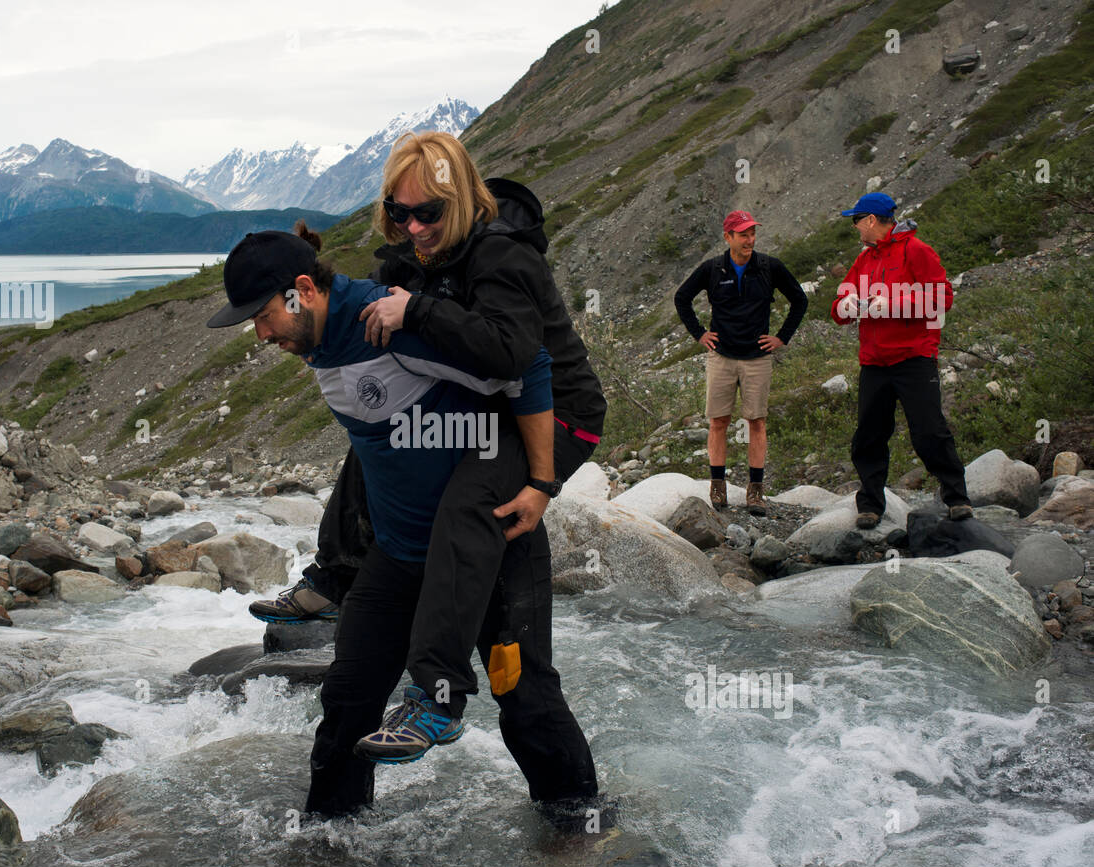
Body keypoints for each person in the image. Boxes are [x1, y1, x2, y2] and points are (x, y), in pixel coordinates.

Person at [207, 226, 599, 818]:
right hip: (397, 557)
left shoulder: (386, 325)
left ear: (302, 291)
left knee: (525, 699)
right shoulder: (322, 344)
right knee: (347, 700)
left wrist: (542, 483)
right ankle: (328, 841)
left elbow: (526, 366)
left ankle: (580, 830)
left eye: (263, 317)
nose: (261, 335)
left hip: (487, 553)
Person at [249, 132, 606, 763]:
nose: (413, 227)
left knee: (474, 511)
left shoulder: (503, 256)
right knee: (372, 438)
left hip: (557, 415)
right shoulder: (411, 260)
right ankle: (335, 575)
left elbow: (515, 357)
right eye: (399, 212)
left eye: (428, 213)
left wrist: (543, 486)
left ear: (461, 200)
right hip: (487, 413)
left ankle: (440, 702)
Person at [828, 192, 971, 528]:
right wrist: (845, 307)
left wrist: (891, 304)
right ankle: (871, 505)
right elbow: (838, 306)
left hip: (914, 358)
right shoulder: (865, 260)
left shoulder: (916, 251)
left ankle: (957, 498)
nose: (855, 228)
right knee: (869, 435)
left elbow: (942, 299)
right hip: (874, 362)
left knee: (929, 432)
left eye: (857, 221)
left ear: (872, 220)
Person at [674, 211, 807, 515]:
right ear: (728, 237)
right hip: (721, 356)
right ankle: (717, 486)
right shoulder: (712, 268)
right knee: (718, 421)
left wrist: (781, 337)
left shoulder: (769, 267)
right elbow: (682, 298)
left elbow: (800, 299)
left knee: (756, 421)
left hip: (757, 358)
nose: (750, 240)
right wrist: (699, 334)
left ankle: (756, 491)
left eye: (752, 233)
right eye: (743, 234)